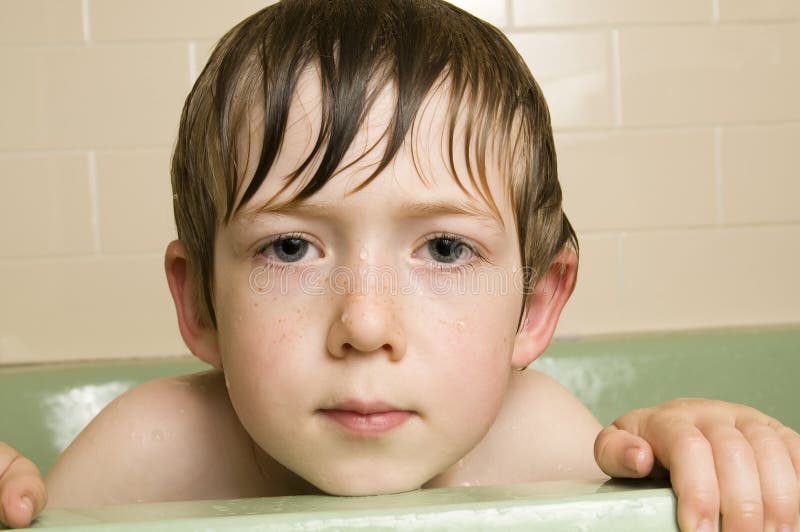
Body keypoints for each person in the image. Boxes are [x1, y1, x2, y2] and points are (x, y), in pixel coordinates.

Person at [1, 1, 798, 530]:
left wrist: (688, 467)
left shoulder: (548, 451)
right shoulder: (145, 460)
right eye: (291, 247)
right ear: (201, 305)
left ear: (535, 307)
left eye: (445, 249)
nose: (366, 325)